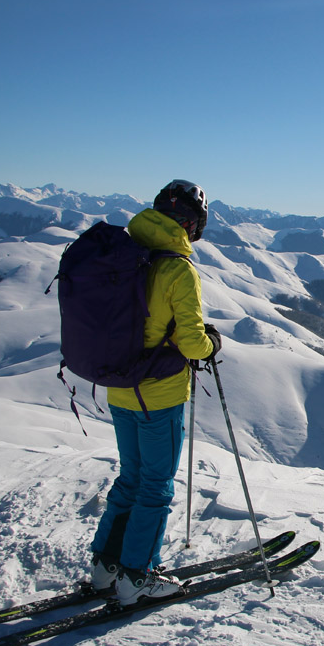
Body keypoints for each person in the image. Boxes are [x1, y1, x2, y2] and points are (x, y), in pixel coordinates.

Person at [89, 179, 222, 605]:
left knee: (130, 479)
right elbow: (191, 344)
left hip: (119, 390)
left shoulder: (126, 255)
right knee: (155, 488)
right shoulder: (177, 268)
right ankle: (137, 577)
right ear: (191, 224)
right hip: (159, 397)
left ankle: (105, 568)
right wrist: (212, 343)